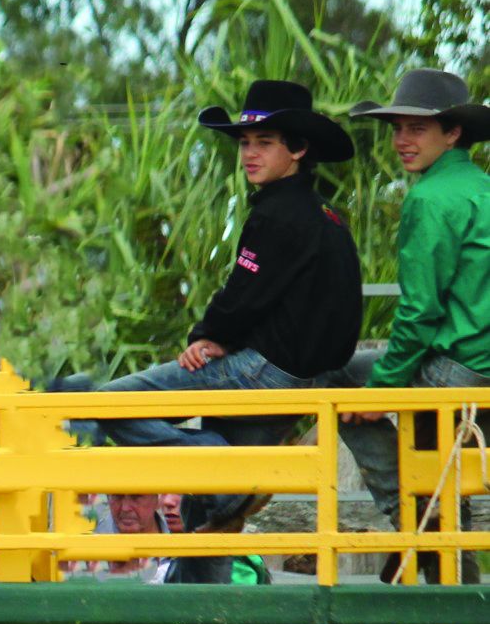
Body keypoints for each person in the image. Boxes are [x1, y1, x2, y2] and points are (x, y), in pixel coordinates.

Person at [76, 81, 363, 524]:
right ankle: (219, 489)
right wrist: (232, 339)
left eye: (264, 143)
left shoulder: (276, 213)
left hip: (262, 372)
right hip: (301, 380)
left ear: (299, 148)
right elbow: (288, 302)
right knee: (212, 515)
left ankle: (211, 457)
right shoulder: (327, 217)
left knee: (106, 404)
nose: (250, 153)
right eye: (245, 143)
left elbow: (244, 297)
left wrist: (208, 337)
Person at [334, 69, 490, 528]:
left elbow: (420, 313)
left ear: (453, 133)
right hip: (483, 364)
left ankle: (408, 508)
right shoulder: (483, 188)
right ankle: (434, 515)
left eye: (417, 128)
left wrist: (381, 390)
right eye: (397, 128)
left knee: (334, 380)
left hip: (455, 369)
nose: (402, 140)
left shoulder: (429, 200)